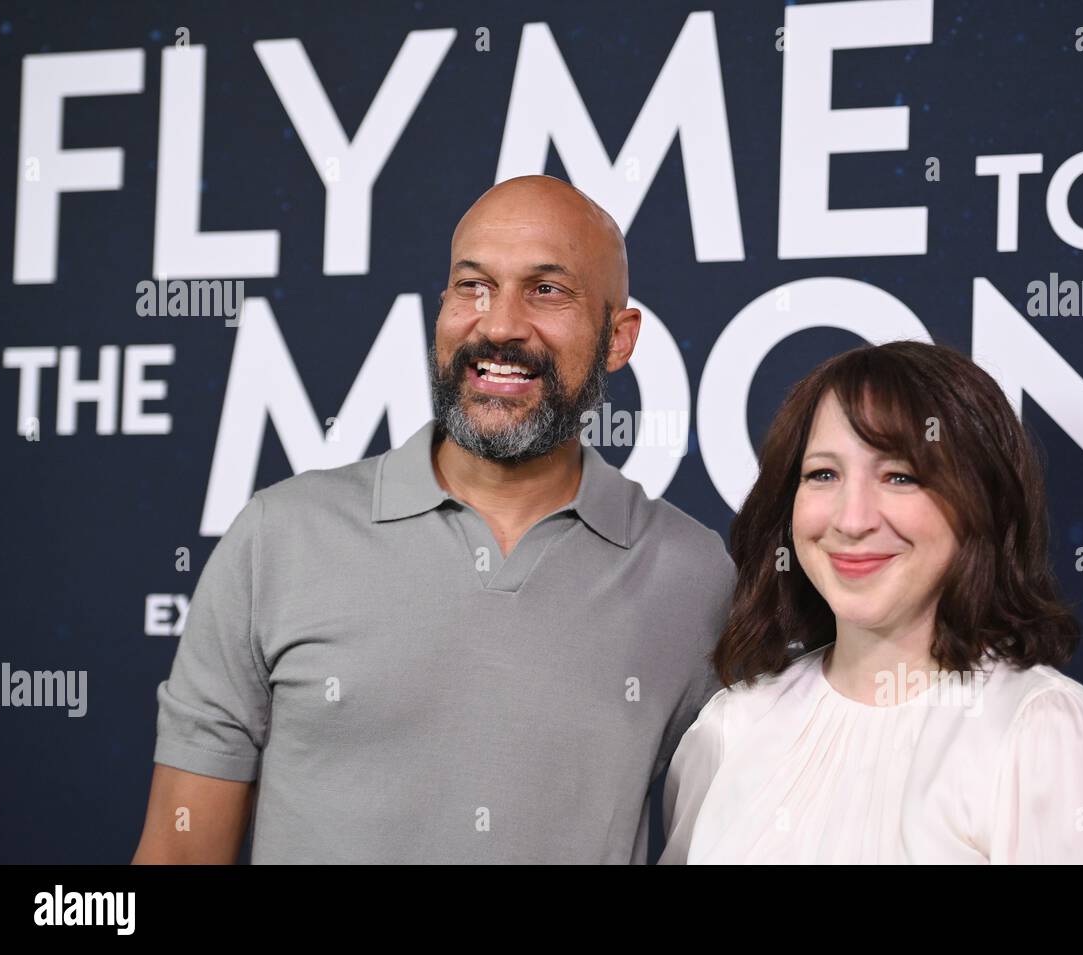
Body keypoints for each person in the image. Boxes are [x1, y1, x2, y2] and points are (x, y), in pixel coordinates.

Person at [133, 175, 734, 864]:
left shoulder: (692, 576)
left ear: (618, 338)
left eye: (547, 290)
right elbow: (177, 854)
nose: (500, 324)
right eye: (472, 285)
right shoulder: (279, 536)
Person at [659, 341, 1083, 864]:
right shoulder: (731, 728)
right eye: (823, 475)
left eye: (900, 476)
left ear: (980, 503)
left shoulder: (1039, 731)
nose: (853, 520)